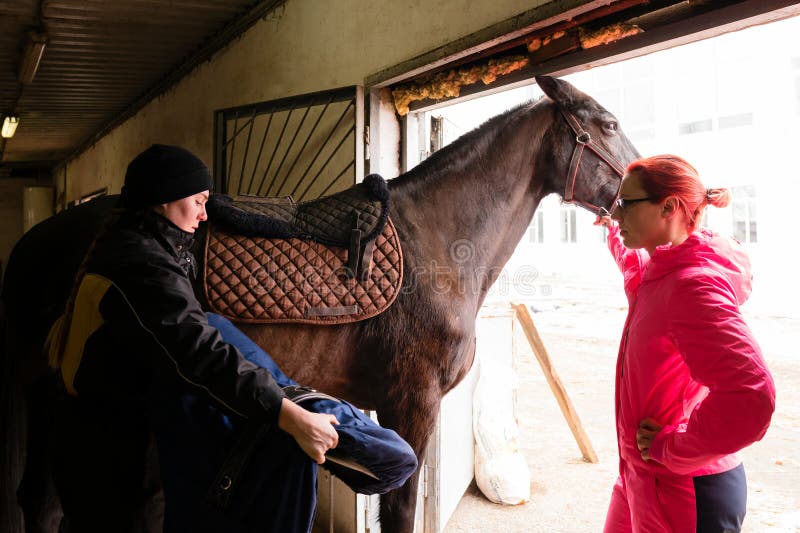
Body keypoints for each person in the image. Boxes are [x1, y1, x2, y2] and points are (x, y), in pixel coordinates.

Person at [47, 144, 416, 532]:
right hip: (108, 450)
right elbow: (201, 353)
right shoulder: (141, 264)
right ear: (162, 200)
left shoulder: (141, 245)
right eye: (198, 201)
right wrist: (286, 414)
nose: (206, 214)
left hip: (114, 430)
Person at [594, 154, 775, 533]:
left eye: (626, 204)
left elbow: (750, 398)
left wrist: (670, 447)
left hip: (684, 489)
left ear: (669, 207)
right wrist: (611, 227)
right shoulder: (657, 272)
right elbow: (632, 266)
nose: (618, 212)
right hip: (642, 477)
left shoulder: (692, 285)